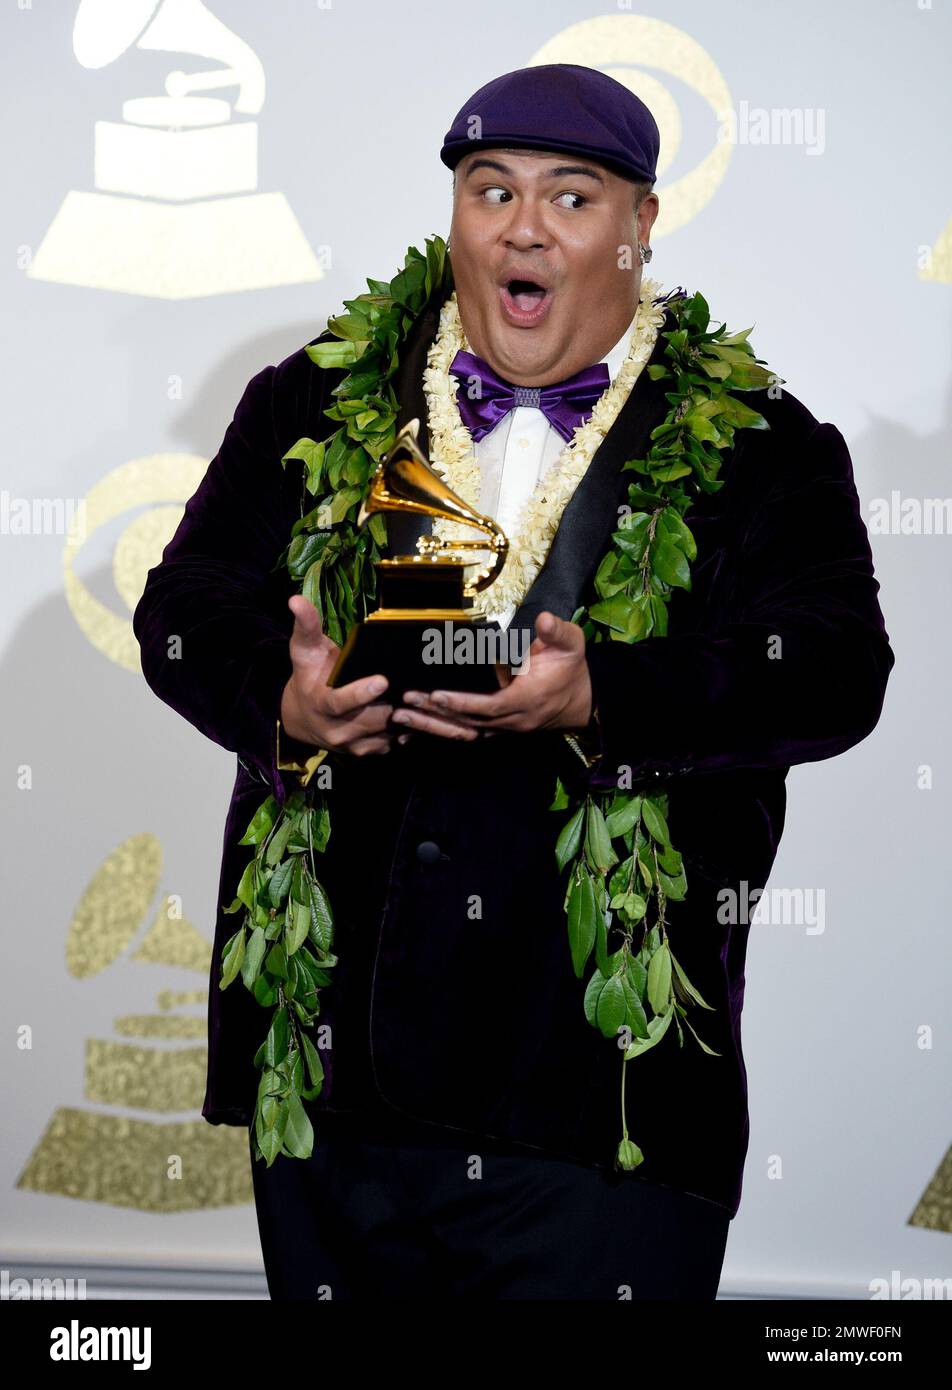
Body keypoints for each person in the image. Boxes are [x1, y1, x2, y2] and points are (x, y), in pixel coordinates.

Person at [133, 64, 895, 1300]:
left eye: (571, 196)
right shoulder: (319, 398)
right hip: (336, 1105)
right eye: (491, 191)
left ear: (639, 226)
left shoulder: (764, 447)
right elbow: (181, 613)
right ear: (456, 219)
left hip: (602, 1114)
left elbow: (832, 671)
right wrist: (283, 701)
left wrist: (609, 695)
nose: (523, 225)